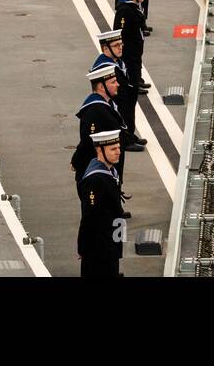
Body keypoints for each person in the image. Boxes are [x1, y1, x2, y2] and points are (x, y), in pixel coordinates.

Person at [72, 62, 133, 188]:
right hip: (98, 177)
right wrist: (76, 161)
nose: (118, 84)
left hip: (109, 170)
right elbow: (87, 141)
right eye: (113, 82)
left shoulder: (106, 106)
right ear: (101, 86)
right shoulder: (96, 110)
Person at [76, 127, 126, 278]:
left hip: (111, 240)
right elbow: (89, 216)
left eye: (118, 148)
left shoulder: (110, 171)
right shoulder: (95, 179)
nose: (118, 152)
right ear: (100, 151)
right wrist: (83, 247)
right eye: (113, 149)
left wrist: (118, 243)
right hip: (99, 246)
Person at [96, 29, 143, 146]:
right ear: (105, 48)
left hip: (122, 99)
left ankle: (129, 135)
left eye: (121, 44)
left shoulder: (117, 60)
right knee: (120, 112)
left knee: (127, 109)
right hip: (114, 102)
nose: (120, 47)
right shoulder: (105, 67)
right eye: (116, 45)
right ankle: (125, 140)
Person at [114, 0, 150, 97]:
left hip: (136, 44)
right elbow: (120, 30)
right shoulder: (124, 9)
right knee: (130, 62)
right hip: (129, 45)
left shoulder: (134, 6)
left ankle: (137, 80)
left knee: (136, 61)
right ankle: (132, 84)